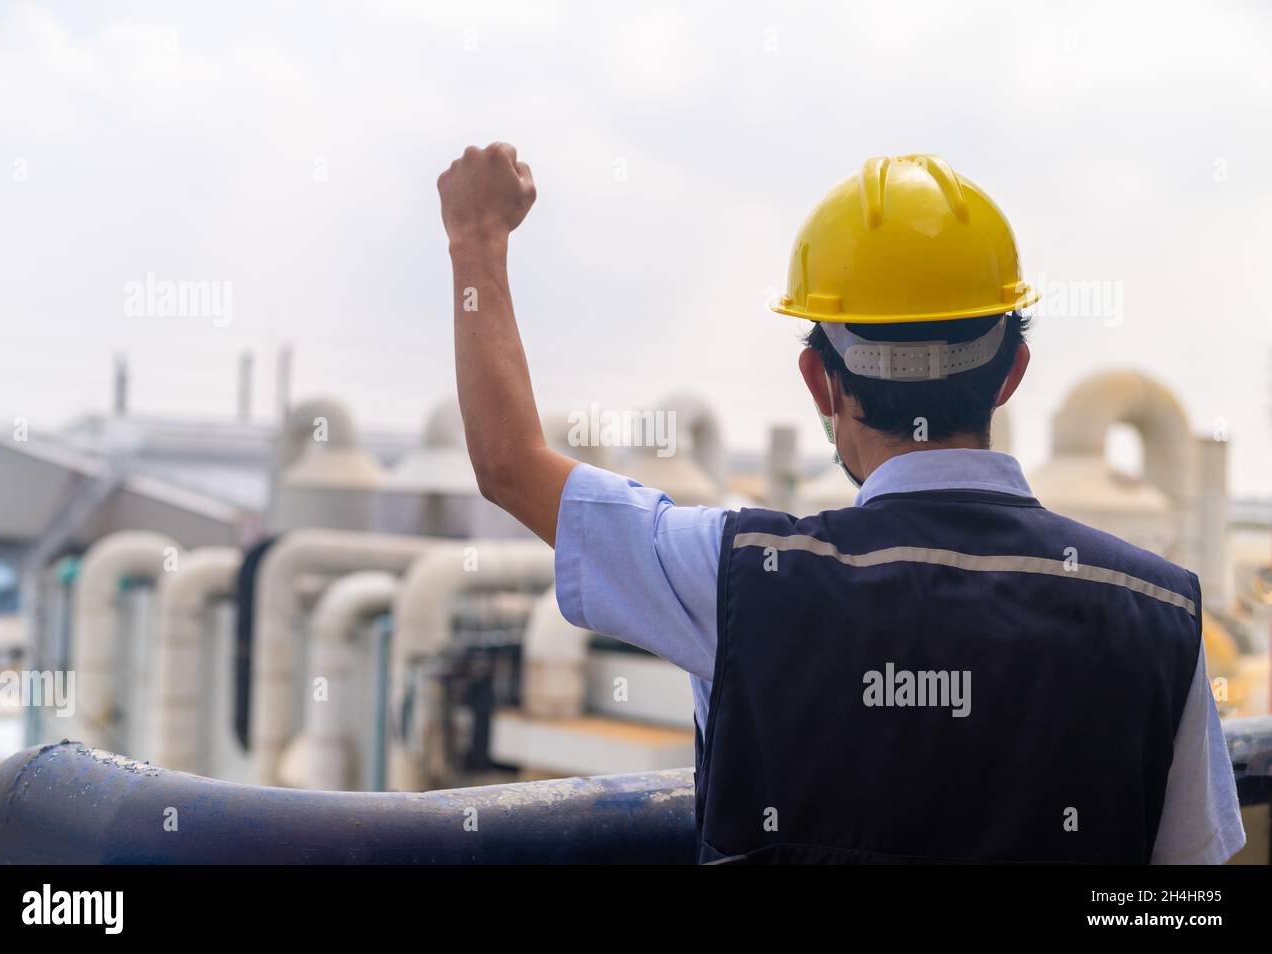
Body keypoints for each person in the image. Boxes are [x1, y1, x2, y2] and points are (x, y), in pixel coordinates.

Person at [437, 144, 1245, 864]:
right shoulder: (1160, 615)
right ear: (1012, 373)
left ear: (821, 382)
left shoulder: (736, 577)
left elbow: (509, 463)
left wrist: (478, 240)